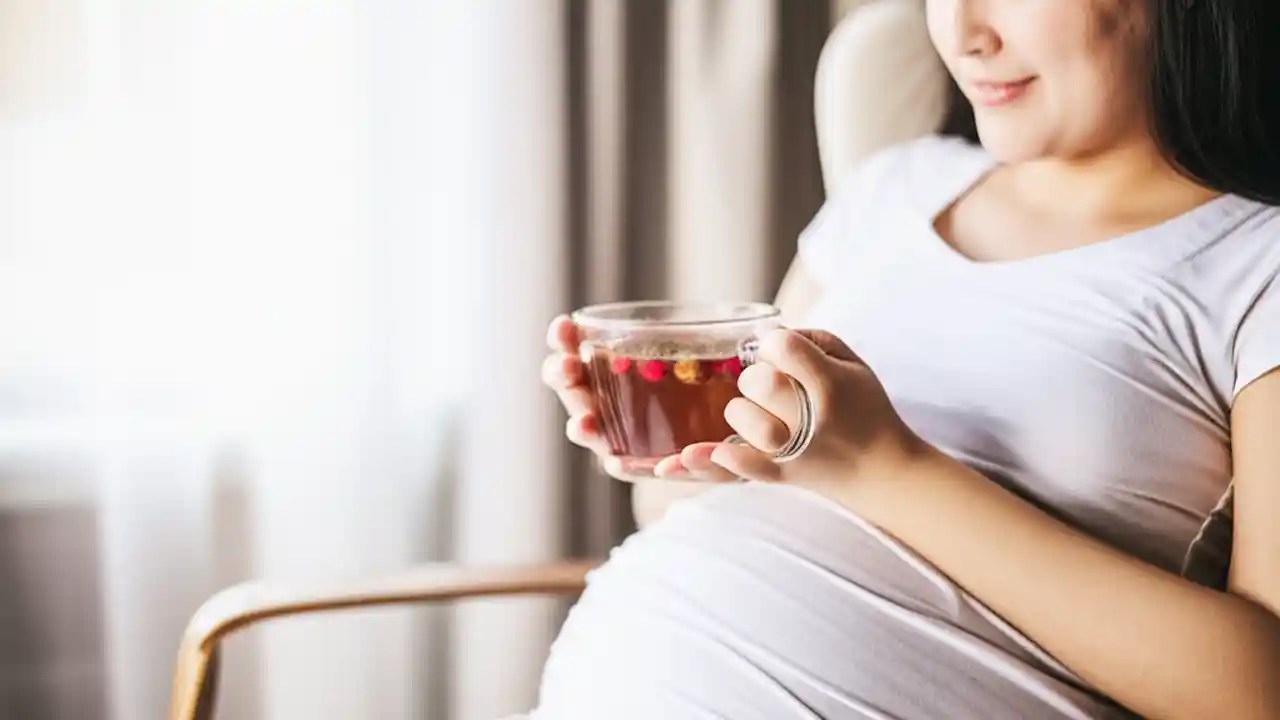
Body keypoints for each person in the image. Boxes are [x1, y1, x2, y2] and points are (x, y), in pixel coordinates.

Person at [537, 1, 1280, 717]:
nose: (961, 32)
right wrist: (684, 437)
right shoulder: (892, 188)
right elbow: (677, 508)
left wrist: (882, 465)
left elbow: (1263, 693)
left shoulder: (1257, 264)